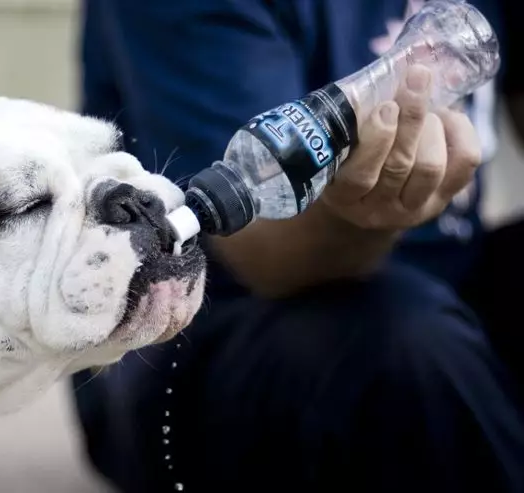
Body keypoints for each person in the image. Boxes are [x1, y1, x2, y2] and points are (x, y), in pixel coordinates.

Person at [71, 0, 524, 491]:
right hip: (206, 342)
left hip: (451, 287)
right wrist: (364, 215)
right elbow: (270, 258)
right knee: (401, 344)